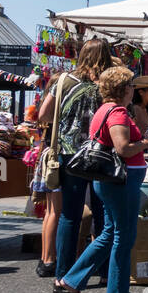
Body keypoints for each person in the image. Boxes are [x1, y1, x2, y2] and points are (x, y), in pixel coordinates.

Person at [53, 66, 148, 293]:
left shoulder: (103, 110)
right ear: (123, 89)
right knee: (123, 236)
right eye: (131, 86)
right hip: (121, 181)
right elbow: (123, 148)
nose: (133, 90)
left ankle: (70, 281)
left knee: (110, 234)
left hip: (112, 182)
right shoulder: (118, 112)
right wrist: (146, 143)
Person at [37, 39, 113, 280]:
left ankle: (63, 273)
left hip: (70, 154)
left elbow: (44, 115)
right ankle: (103, 270)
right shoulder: (109, 84)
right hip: (101, 153)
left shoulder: (63, 81)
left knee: (70, 214)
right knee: (103, 213)